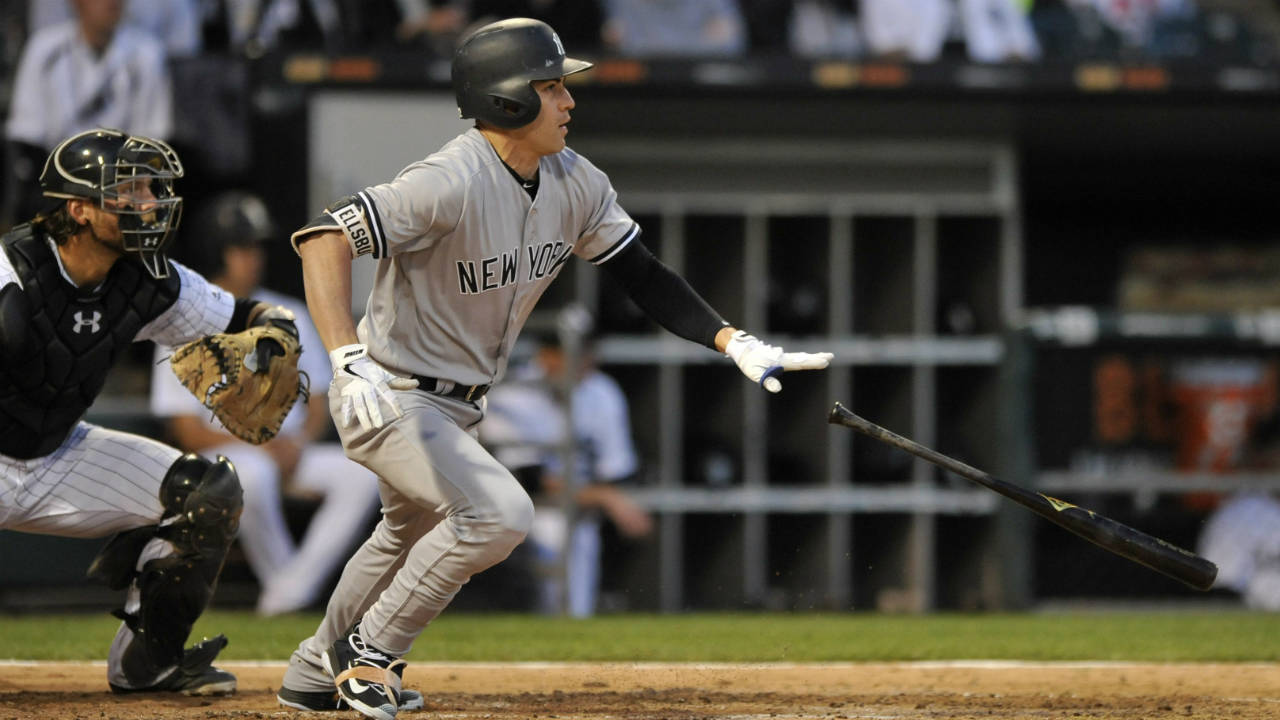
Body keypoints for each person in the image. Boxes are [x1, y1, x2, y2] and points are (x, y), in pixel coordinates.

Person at [275, 18, 832, 719]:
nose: (568, 100)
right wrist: (344, 355)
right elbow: (323, 237)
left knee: (404, 534)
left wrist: (732, 340)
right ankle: (371, 654)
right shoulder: (447, 181)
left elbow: (642, 273)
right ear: (506, 97)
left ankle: (311, 672)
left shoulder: (575, 180)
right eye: (550, 87)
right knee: (498, 515)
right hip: (389, 392)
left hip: (458, 403)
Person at [0, 128, 296, 694]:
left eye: (150, 189)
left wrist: (275, 329)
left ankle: (147, 663)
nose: (150, 202)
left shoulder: (147, 278)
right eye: (130, 191)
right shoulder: (11, 275)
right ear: (80, 210)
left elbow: (242, 314)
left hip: (56, 453)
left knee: (206, 495)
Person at [149, 191, 382, 616]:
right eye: (242, 247)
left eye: (256, 247)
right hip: (226, 456)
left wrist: (298, 444)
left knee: (363, 474)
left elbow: (319, 400)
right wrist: (260, 447)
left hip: (289, 450)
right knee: (252, 474)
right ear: (216, 251)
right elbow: (185, 429)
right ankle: (287, 593)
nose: (254, 257)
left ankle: (289, 590)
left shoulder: (287, 312)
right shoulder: (182, 322)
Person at [480, 330, 653, 617]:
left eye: (587, 355)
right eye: (572, 355)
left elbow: (616, 470)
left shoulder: (601, 390)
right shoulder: (511, 394)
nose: (583, 365)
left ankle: (579, 618)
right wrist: (606, 498)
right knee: (554, 533)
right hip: (520, 505)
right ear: (546, 355)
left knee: (584, 532)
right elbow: (528, 480)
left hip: (580, 507)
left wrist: (609, 500)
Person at [4, 0, 172, 224]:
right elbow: (26, 134)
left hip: (121, 181)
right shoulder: (44, 49)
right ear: (76, 3)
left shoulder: (147, 52)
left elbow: (152, 138)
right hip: (56, 181)